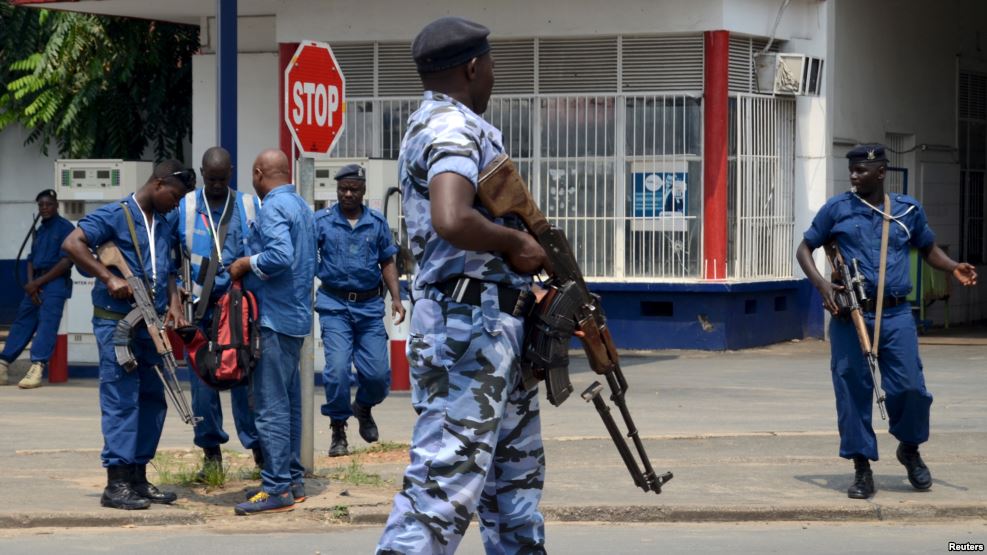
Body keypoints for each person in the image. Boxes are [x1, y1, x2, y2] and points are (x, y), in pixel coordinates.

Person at [377, 17, 550, 554]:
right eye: (492, 63)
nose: (494, 73)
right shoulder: (452, 127)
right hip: (467, 330)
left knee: (513, 489)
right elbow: (451, 217)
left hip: (490, 325)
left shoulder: (445, 123)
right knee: (443, 487)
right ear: (474, 67)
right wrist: (515, 245)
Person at [796, 144, 978, 500]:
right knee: (853, 391)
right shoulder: (837, 209)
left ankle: (909, 448)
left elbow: (928, 248)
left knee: (911, 388)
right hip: (852, 316)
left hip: (895, 315)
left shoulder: (908, 210)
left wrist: (953, 266)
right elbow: (805, 248)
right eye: (851, 170)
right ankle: (861, 466)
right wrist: (822, 286)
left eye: (861, 170)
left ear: (881, 172)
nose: (853, 175)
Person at [61, 160, 194, 510]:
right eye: (175, 196)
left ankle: (137, 477)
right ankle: (116, 483)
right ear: (158, 183)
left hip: (149, 325)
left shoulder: (163, 224)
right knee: (122, 399)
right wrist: (108, 278)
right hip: (117, 324)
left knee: (153, 399)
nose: (176, 204)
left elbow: (166, 270)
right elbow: (73, 244)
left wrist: (175, 301)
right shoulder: (115, 215)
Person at [228, 148, 316, 516]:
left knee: (270, 407)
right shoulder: (303, 208)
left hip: (275, 321)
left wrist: (245, 263)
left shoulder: (275, 208)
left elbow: (280, 257)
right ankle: (291, 479)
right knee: (290, 404)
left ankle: (276, 487)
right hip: (295, 319)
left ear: (259, 171)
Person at [175, 147, 263, 479]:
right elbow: (173, 253)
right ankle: (211, 455)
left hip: (236, 309)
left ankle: (257, 452)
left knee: (242, 377)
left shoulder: (248, 205)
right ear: (201, 174)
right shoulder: (186, 207)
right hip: (199, 310)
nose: (215, 185)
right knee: (202, 385)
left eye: (221, 179)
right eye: (210, 179)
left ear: (231, 174)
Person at [315, 163, 406, 458]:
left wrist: (396, 297)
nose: (348, 194)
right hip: (335, 305)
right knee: (338, 371)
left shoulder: (376, 223)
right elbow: (306, 256)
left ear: (364, 191)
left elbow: (388, 261)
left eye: (354, 189)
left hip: (368, 307)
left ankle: (363, 407)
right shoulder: (323, 221)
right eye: (343, 189)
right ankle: (338, 429)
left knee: (379, 377)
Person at [0, 189, 74, 389]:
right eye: (41, 205)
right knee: (22, 321)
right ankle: (3, 363)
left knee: (47, 324)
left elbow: (66, 261)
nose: (44, 208)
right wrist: (32, 285)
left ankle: (37, 367)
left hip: (55, 281)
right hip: (36, 282)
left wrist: (38, 284)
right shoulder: (40, 229)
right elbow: (31, 259)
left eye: (48, 204)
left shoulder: (65, 227)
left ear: (56, 205)